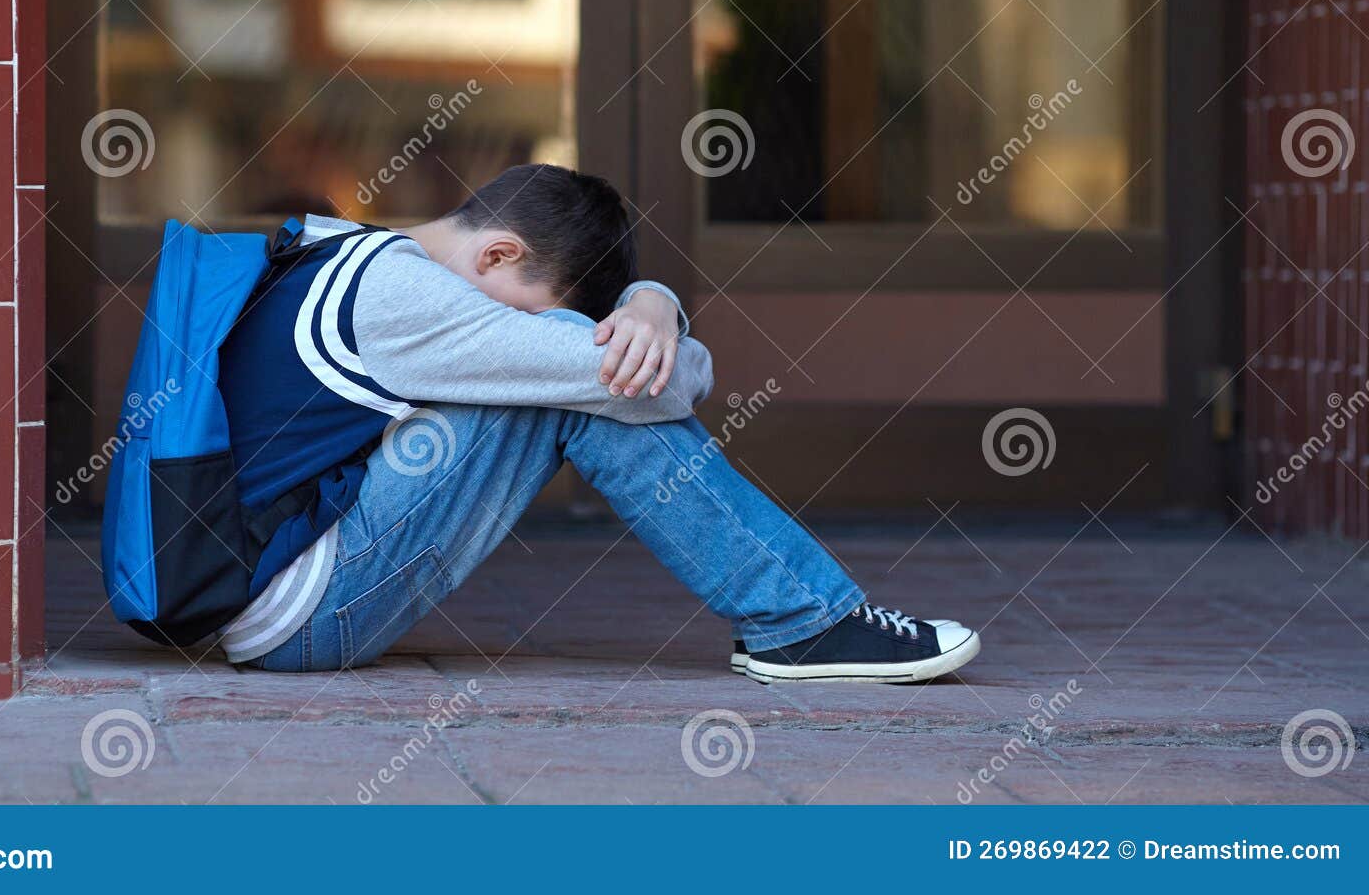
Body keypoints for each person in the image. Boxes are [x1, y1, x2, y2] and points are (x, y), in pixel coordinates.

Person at [215, 164, 980, 683]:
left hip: (274, 593)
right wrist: (656, 310)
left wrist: (647, 303)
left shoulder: (343, 249)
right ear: (499, 254)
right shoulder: (407, 298)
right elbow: (668, 380)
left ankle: (801, 620)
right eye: (538, 315)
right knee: (576, 388)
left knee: (582, 378)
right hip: (299, 613)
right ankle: (801, 620)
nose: (534, 335)